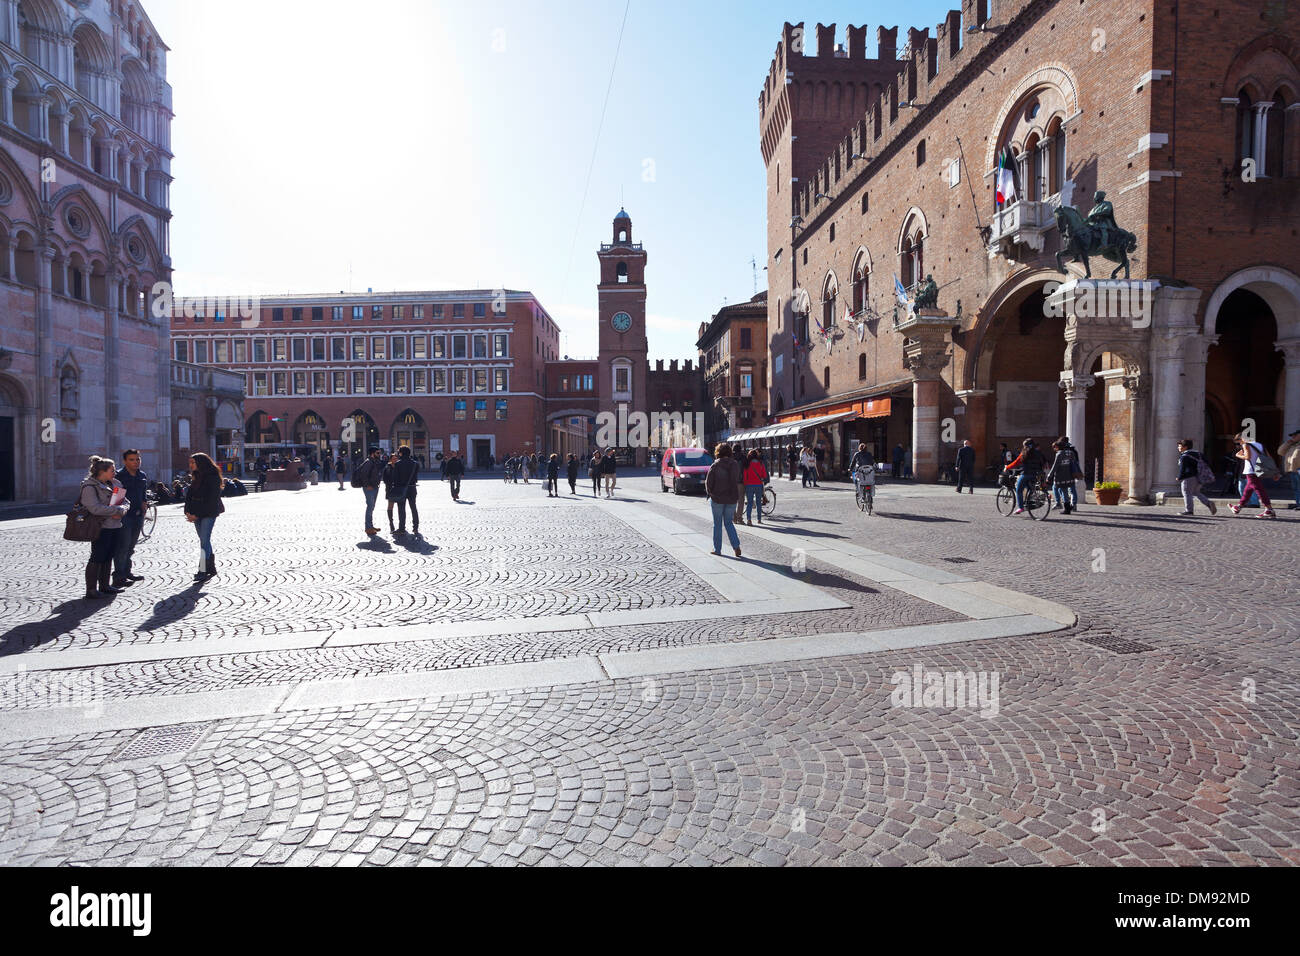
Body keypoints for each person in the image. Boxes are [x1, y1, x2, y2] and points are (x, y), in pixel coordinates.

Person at [79, 456, 130, 599]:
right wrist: (117, 511)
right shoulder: (89, 486)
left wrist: (121, 510)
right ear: (103, 471)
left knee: (109, 556)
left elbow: (126, 501)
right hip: (100, 527)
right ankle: (91, 589)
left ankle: (105, 585)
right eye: (112, 470)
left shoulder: (115, 483)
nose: (115, 472)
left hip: (115, 525)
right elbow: (94, 508)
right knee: (97, 556)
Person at [184, 452, 226, 581]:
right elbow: (189, 496)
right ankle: (211, 567)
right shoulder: (196, 476)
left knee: (204, 542)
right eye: (190, 462)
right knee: (205, 541)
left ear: (201, 463)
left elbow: (211, 500)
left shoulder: (213, 477)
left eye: (193, 462)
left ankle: (202, 570)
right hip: (196, 513)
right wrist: (188, 512)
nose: (190, 465)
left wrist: (196, 514)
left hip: (208, 513)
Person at [112, 448, 150, 588]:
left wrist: (144, 504)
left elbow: (143, 493)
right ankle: (118, 576)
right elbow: (116, 497)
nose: (136, 462)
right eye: (132, 460)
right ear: (124, 461)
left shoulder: (142, 475)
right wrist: (117, 512)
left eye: (138, 459)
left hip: (138, 515)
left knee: (131, 546)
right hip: (125, 516)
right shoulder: (119, 476)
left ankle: (127, 572)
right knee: (123, 546)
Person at [705, 443, 745, 557]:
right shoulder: (735, 464)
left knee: (717, 524)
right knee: (729, 523)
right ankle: (736, 547)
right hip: (732, 498)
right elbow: (738, 478)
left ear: (718, 452)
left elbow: (708, 483)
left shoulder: (715, 465)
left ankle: (717, 549)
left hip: (717, 498)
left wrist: (710, 493)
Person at [1228, 432, 1276, 518]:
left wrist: (1238, 455)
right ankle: (1238, 507)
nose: (1239, 443)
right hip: (1259, 470)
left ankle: (1269, 509)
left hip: (1251, 471)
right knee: (1248, 490)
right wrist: (1275, 471)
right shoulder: (1260, 445)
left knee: (1259, 490)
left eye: (1238, 441)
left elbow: (1247, 457)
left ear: (1242, 438)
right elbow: (1269, 457)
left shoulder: (1246, 445)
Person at [1003, 438, 1046, 516]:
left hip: (1026, 473)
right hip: (1036, 474)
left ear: (1025, 446)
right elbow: (1042, 462)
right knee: (1029, 487)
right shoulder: (1038, 453)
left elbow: (1016, 462)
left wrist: (1007, 467)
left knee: (1019, 490)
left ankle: (1021, 507)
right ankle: (1030, 499)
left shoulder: (1024, 453)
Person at [1175, 439, 1218, 516]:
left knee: (1186, 493)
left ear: (1185, 447)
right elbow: (1207, 462)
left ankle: (1189, 511)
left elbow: (1183, 468)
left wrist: (1179, 477)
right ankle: (1208, 503)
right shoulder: (1198, 453)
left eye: (1179, 446)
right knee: (1196, 492)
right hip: (1200, 477)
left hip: (1189, 477)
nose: (1178, 448)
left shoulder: (1184, 456)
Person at [1048, 436, 1083, 514]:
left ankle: (1061, 504)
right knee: (1072, 490)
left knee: (1061, 489)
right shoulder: (1072, 451)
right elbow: (1075, 462)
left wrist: (1049, 476)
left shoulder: (1059, 453)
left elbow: (1055, 466)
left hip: (1061, 476)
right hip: (1071, 474)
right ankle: (1073, 505)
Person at [389, 446, 420, 534]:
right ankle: (415, 527)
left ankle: (402, 528)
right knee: (413, 507)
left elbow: (395, 478)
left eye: (399, 452)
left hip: (401, 488)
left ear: (401, 453)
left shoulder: (398, 464)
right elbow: (416, 476)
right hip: (412, 488)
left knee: (401, 508)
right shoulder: (415, 464)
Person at [355, 446, 385, 536]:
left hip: (374, 486)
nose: (379, 455)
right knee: (370, 506)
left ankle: (370, 526)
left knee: (371, 507)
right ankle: (368, 528)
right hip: (369, 487)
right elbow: (364, 474)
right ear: (372, 454)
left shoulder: (374, 461)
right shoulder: (368, 462)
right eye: (378, 453)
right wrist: (367, 485)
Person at [742, 449, 768, 526]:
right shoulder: (760, 463)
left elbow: (745, 476)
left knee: (749, 503)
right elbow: (764, 475)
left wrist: (745, 484)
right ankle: (759, 519)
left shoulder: (747, 464)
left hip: (749, 485)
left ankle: (749, 519)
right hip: (758, 485)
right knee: (758, 503)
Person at [1278, 428, 1300, 511]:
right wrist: (1287, 443)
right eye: (1292, 436)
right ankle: (1299, 503)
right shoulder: (1292, 445)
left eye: (1295, 435)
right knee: (1296, 488)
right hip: (1293, 470)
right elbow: (1280, 452)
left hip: (1299, 469)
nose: (1293, 437)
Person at [381, 452, 400, 533]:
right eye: (393, 459)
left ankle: (401, 525)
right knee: (390, 506)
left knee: (400, 507)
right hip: (390, 489)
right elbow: (384, 479)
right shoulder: (387, 467)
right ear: (390, 460)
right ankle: (391, 523)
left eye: (396, 459)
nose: (395, 460)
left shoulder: (400, 467)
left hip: (399, 489)